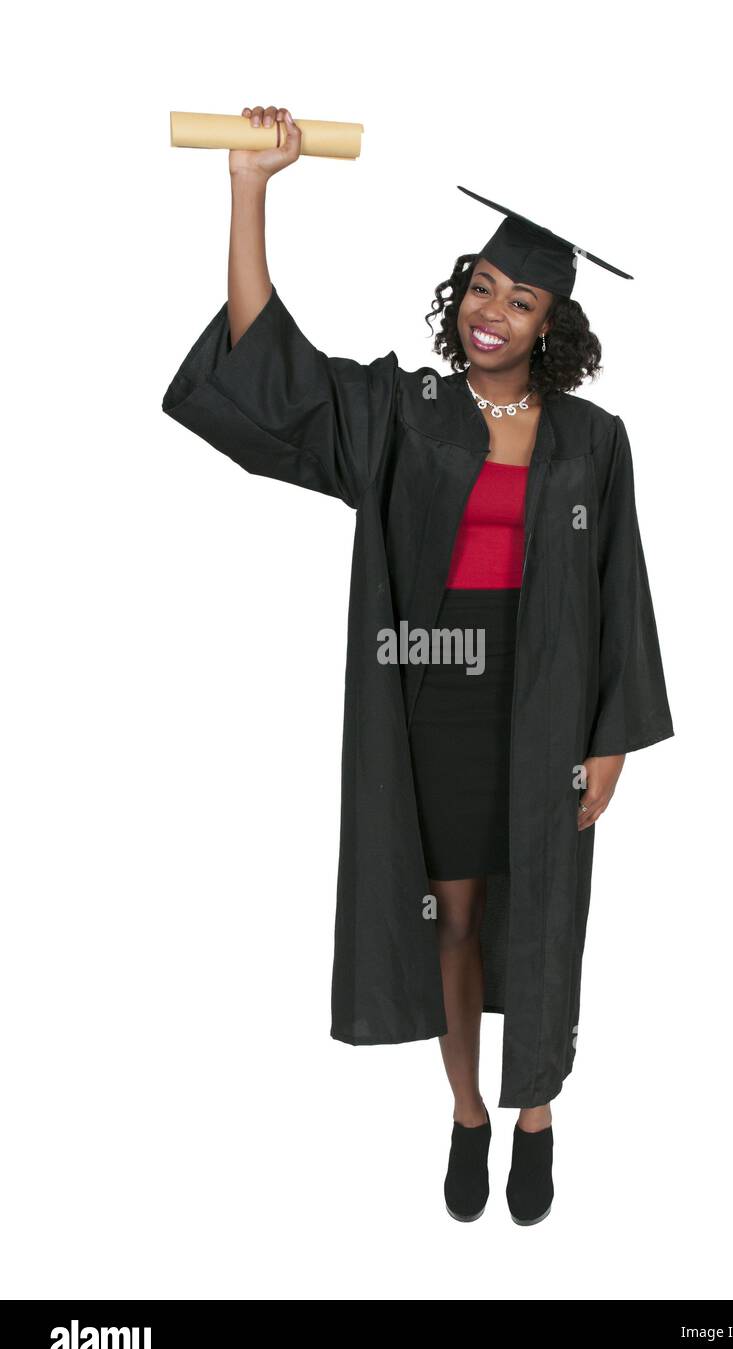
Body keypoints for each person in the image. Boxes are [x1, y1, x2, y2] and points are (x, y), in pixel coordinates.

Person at [162, 104, 674, 1226]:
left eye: (520, 298)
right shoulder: (408, 411)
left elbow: (617, 592)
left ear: (552, 321)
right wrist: (251, 190)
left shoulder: (593, 441)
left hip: (547, 704)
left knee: (538, 913)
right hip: (434, 697)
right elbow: (271, 374)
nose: (493, 312)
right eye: (483, 287)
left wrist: (610, 734)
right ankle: (466, 1113)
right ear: (463, 292)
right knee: (451, 916)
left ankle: (533, 1111)